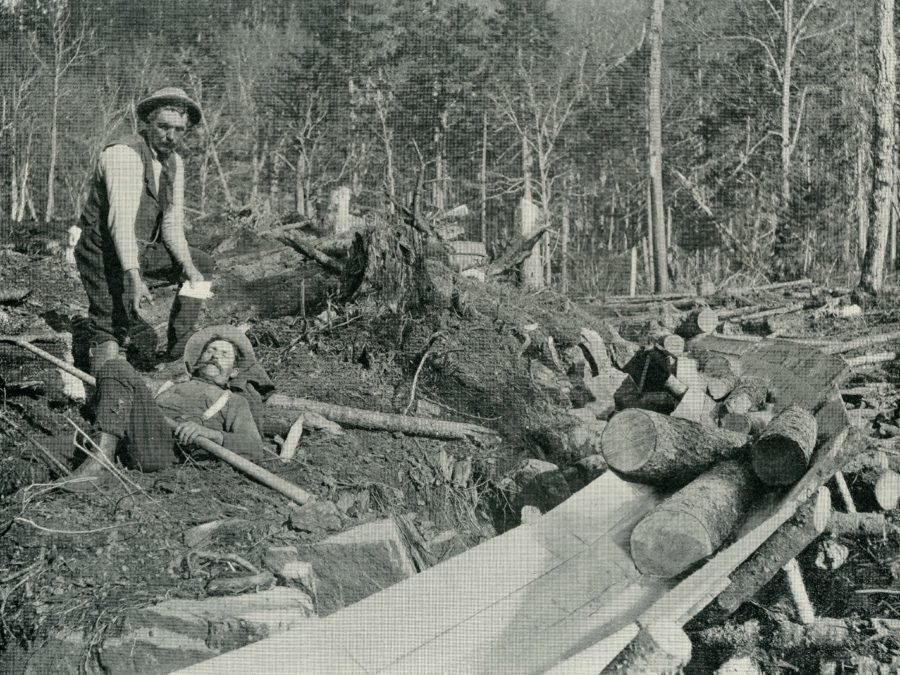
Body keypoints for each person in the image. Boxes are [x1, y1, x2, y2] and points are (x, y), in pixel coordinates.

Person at [74, 86, 214, 375]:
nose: (170, 136)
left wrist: (188, 267)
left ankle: (177, 357)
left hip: (142, 248)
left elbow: (171, 223)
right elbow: (120, 224)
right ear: (148, 123)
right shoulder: (123, 155)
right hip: (102, 251)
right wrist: (135, 278)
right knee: (111, 323)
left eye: (179, 130)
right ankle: (103, 385)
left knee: (201, 265)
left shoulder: (174, 163)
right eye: (163, 127)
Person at [65, 325, 266, 490]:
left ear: (234, 372)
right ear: (198, 360)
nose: (215, 356)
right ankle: (91, 462)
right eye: (210, 350)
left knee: (116, 366)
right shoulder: (169, 385)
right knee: (56, 446)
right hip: (128, 438)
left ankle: (100, 463)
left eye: (224, 354)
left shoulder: (233, 401)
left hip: (162, 449)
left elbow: (254, 447)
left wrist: (210, 434)